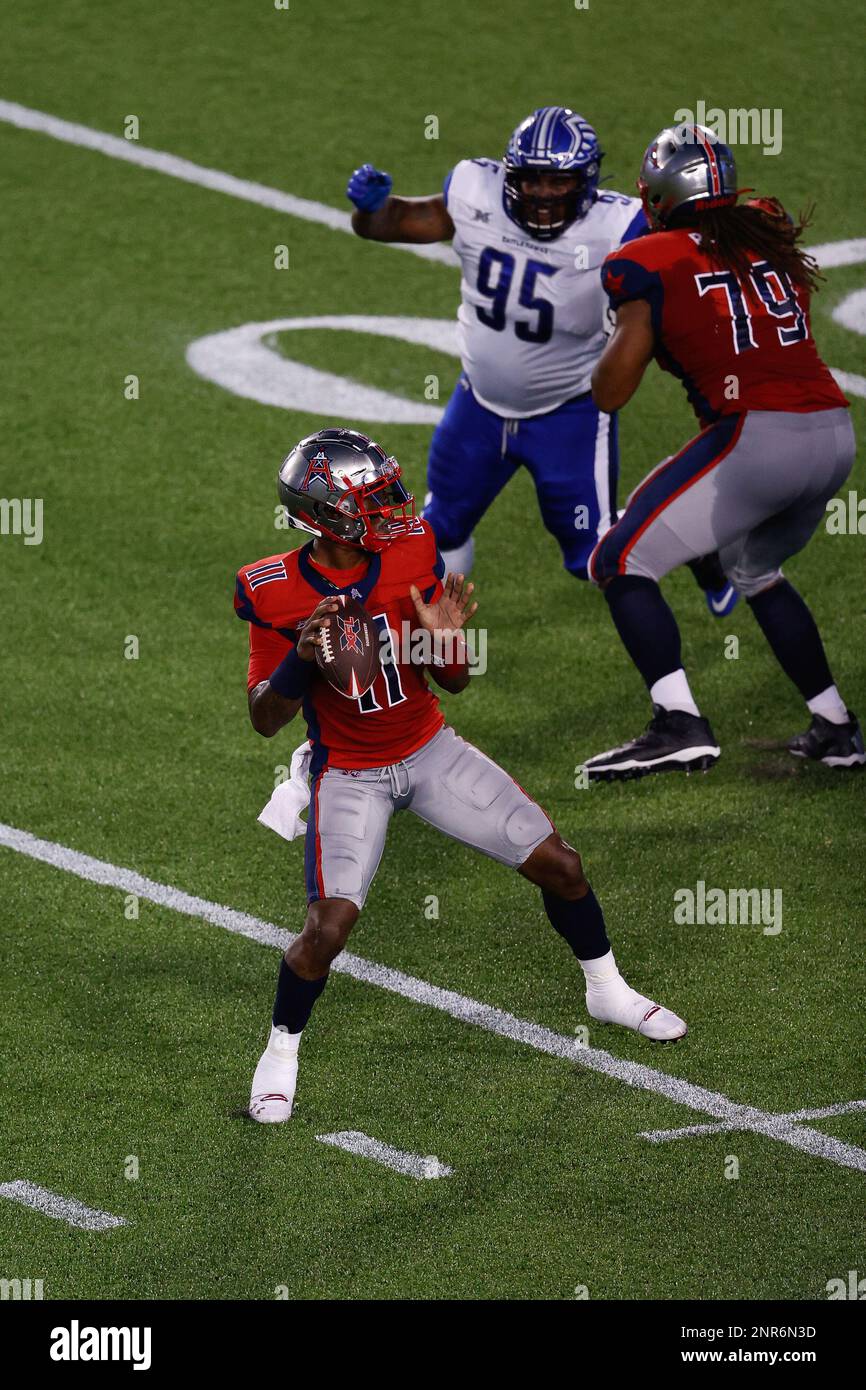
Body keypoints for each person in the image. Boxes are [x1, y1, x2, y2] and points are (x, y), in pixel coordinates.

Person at [235, 427, 687, 1122]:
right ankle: (281, 1051)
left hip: (427, 748)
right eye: (374, 499)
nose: (393, 509)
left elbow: (454, 680)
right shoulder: (271, 591)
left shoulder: (413, 546)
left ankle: (607, 989)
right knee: (326, 929)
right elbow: (266, 717)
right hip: (348, 770)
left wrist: (445, 639)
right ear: (326, 516)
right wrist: (301, 656)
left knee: (561, 865)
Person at [347, 108, 737, 617]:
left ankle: (698, 548)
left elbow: (694, 264)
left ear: (587, 180)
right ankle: (436, 638)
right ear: (512, 176)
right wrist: (370, 210)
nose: (545, 195)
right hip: (479, 406)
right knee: (440, 528)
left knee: (591, 557)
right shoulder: (473, 191)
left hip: (568, 414)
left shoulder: (619, 226)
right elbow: (395, 222)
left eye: (560, 182)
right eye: (533, 180)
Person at [580, 123, 862, 780]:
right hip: (832, 435)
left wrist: (622, 322)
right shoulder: (766, 231)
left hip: (757, 440)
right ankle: (838, 727)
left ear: (658, 196)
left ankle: (678, 722)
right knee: (755, 569)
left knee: (620, 559)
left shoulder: (646, 262)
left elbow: (610, 392)